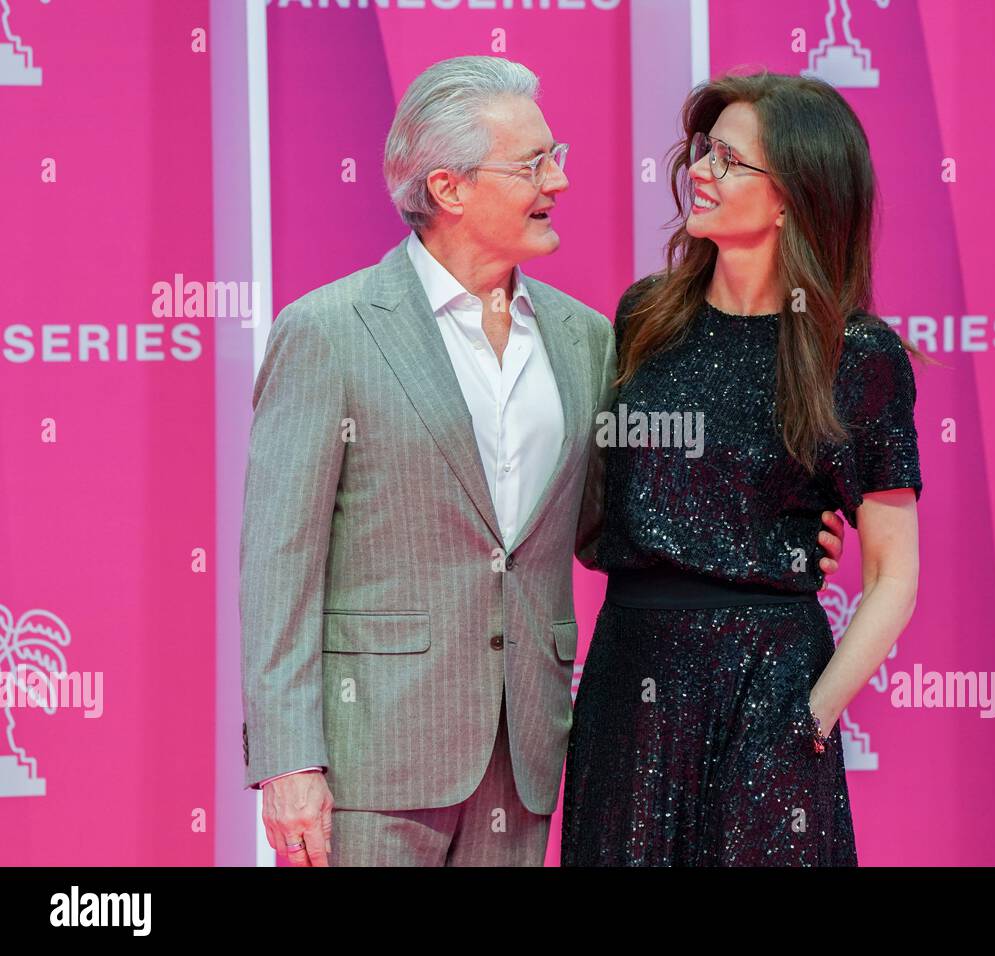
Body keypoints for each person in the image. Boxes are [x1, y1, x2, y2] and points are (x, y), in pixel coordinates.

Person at [239, 56, 847, 867]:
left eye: (555, 154)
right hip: (371, 763)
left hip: (526, 761)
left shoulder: (585, 337)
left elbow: (613, 519)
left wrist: (767, 532)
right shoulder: (331, 330)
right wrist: (289, 762)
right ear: (449, 188)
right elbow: (279, 565)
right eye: (534, 163)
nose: (559, 179)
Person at [561, 71, 926, 866]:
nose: (700, 171)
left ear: (795, 193)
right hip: (632, 677)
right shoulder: (645, 318)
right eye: (702, 150)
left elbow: (895, 575)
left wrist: (812, 715)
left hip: (770, 690)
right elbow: (608, 504)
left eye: (729, 159)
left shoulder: (856, 355)